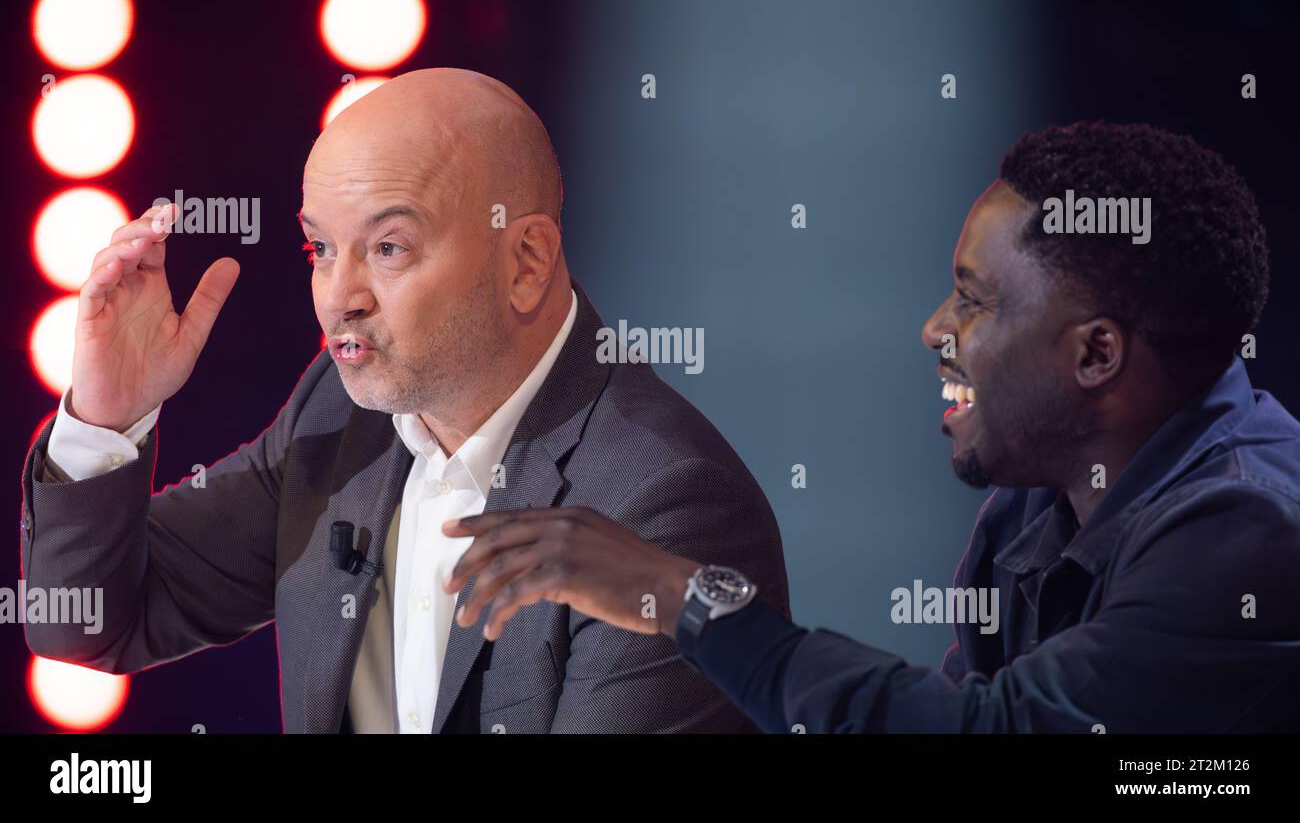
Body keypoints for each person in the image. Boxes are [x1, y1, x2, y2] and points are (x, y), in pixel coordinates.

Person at [440, 121, 1300, 732]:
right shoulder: (1037, 501)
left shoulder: (1245, 527)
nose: (935, 328)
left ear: (1097, 353)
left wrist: (682, 596)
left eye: (972, 299)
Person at [19, 68, 790, 734]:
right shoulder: (343, 414)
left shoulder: (667, 506)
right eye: (319, 249)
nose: (338, 298)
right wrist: (103, 415)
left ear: (525, 262)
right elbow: (89, 623)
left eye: (388, 248)